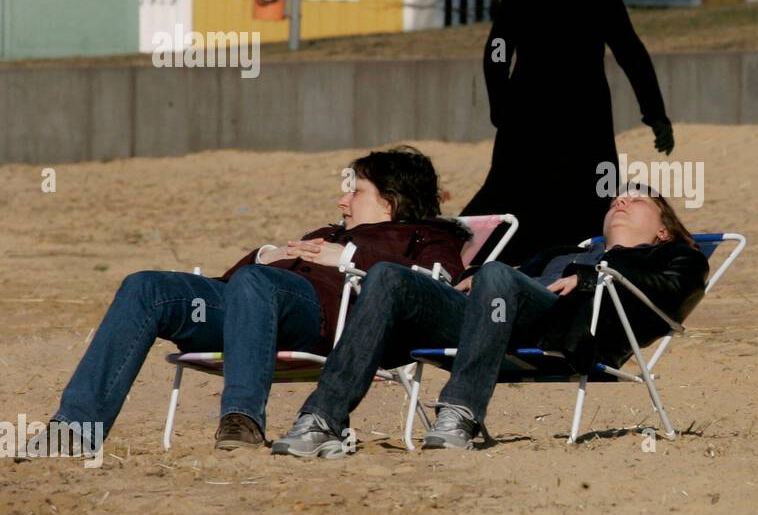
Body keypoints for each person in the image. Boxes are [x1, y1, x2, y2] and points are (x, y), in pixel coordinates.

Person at [35, 146, 469, 453]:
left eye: (356, 192)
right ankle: (75, 429)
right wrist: (264, 254)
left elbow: (433, 287)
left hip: (318, 320)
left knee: (256, 284)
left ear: (391, 202)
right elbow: (230, 281)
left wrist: (350, 257)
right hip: (249, 308)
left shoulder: (427, 237)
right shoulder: (328, 231)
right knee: (146, 286)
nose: (342, 199)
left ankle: (241, 419)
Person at [271, 186, 709, 458]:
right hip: (490, 317)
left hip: (558, 329)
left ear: (664, 229)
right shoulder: (561, 251)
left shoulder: (676, 257)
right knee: (388, 275)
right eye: (616, 198)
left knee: (499, 273)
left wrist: (595, 275)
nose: (621, 200)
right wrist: (473, 279)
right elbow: (507, 275)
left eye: (637, 199)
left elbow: (675, 295)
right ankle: (323, 418)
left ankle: (460, 413)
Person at [460, 0, 675, 265]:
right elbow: (631, 53)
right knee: (587, 201)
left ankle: (488, 269)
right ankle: (579, 271)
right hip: (585, 116)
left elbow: (496, 54)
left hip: (526, 114)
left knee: (510, 196)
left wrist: (501, 110)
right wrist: (655, 115)